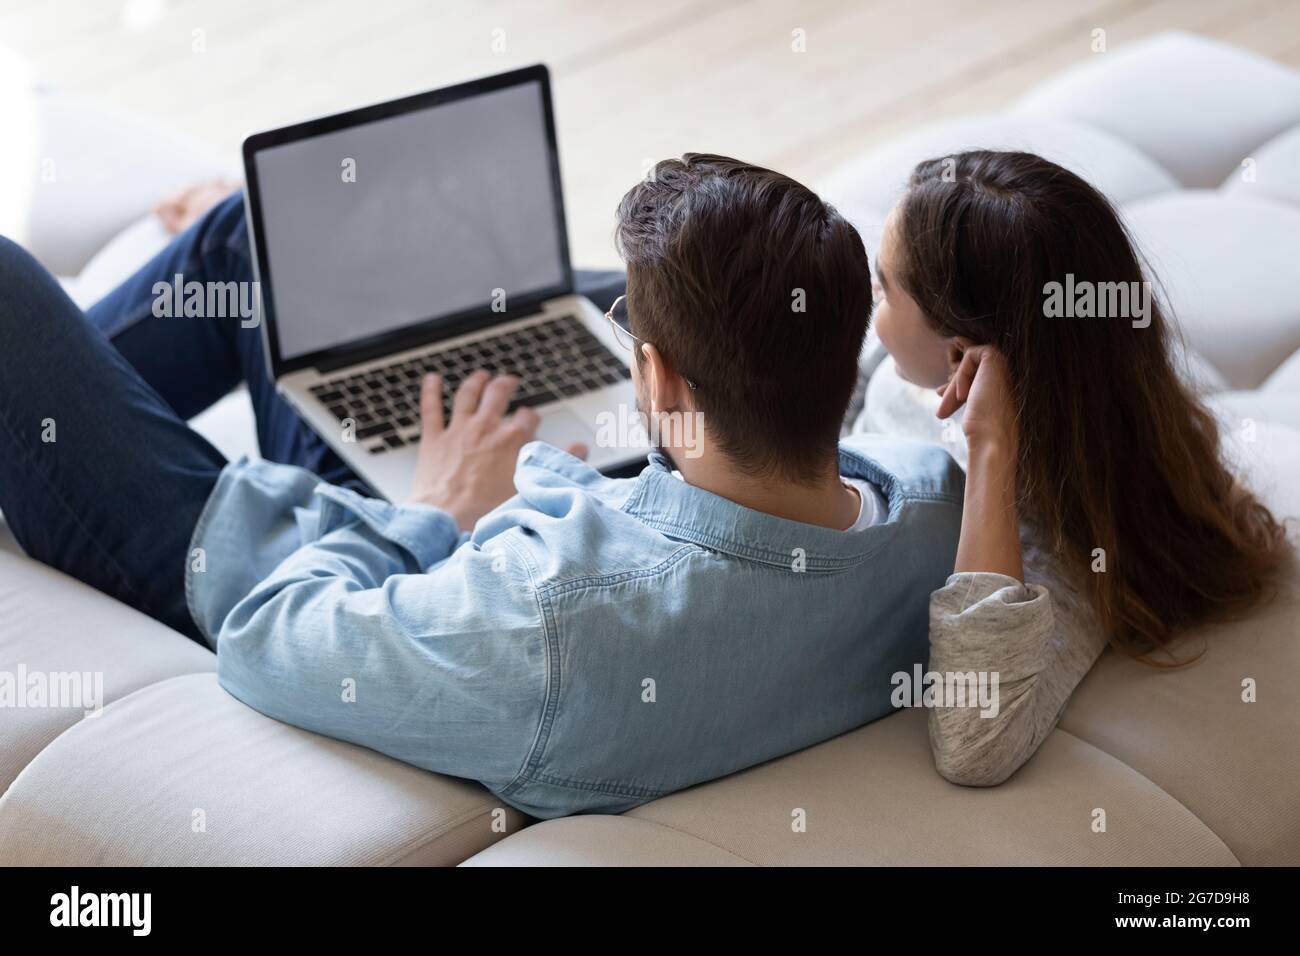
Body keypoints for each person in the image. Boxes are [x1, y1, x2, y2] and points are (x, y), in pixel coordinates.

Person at [0, 154, 962, 818]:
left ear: (658, 378)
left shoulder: (548, 626)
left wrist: (438, 508)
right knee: (261, 238)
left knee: (160, 261)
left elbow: (264, 633)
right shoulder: (935, 511)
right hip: (496, 516)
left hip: (247, 552)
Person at [865, 149, 1291, 786]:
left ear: (960, 353)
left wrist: (989, 449)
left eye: (882, 289)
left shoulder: (1060, 547)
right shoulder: (918, 376)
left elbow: (974, 742)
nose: (869, 310)